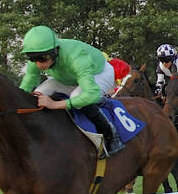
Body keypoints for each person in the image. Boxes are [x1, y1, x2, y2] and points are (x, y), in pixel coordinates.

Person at [19, 25, 122, 155]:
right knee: (38, 96)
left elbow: (91, 94)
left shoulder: (76, 57)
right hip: (68, 77)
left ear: (55, 51)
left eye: (42, 58)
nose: (38, 64)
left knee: (77, 96)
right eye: (33, 59)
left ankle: (112, 136)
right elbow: (25, 87)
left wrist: (55, 104)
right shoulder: (39, 58)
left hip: (99, 73)